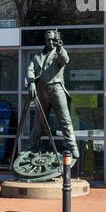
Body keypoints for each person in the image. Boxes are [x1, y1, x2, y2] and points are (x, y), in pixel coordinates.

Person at [25, 30, 79, 161]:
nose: (50, 42)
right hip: (41, 92)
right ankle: (30, 148)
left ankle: (73, 148)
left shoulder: (58, 53)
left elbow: (65, 60)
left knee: (65, 120)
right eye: (48, 39)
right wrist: (31, 82)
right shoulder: (37, 56)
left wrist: (60, 47)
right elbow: (30, 69)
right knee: (39, 121)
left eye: (52, 39)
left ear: (55, 40)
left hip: (56, 90)